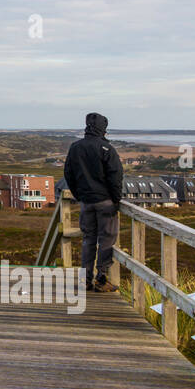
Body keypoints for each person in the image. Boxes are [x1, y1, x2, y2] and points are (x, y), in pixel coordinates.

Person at [62, 112, 124, 292]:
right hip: (105, 201)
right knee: (107, 240)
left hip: (86, 202)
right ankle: (101, 278)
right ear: (103, 129)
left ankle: (85, 280)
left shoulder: (75, 148)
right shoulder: (107, 149)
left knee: (88, 240)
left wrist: (79, 194)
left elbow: (69, 174)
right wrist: (116, 200)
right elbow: (115, 177)